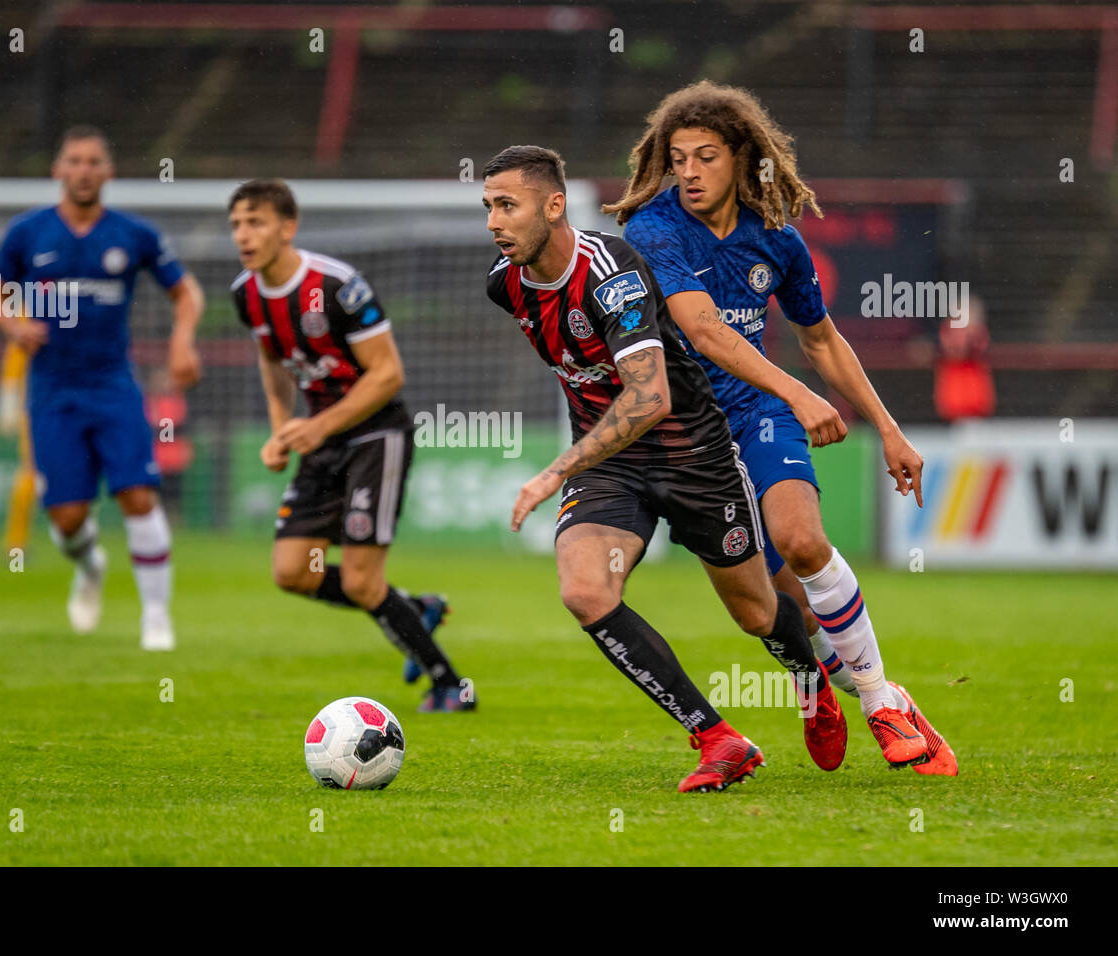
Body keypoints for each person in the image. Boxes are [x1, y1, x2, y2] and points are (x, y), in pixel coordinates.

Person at [608, 81, 955, 773]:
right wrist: (800, 393)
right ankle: (812, 679)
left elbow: (822, 339)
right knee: (763, 606)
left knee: (801, 540)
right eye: (678, 158)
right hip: (686, 431)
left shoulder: (778, 241)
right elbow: (702, 328)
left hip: (758, 413)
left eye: (706, 156)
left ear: (742, 158)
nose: (690, 172)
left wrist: (887, 429)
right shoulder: (652, 229)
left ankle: (883, 701)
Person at [483, 145, 846, 792]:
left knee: (758, 613)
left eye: (507, 205)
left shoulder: (610, 270)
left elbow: (651, 397)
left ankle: (811, 678)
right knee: (586, 590)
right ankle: (717, 736)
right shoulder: (504, 284)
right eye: (488, 207)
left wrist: (551, 473)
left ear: (555, 205)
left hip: (692, 454)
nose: (494, 221)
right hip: (612, 466)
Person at [228, 179, 468, 713]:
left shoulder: (337, 286)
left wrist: (319, 426)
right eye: (237, 224)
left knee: (362, 580)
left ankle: (450, 685)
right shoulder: (245, 294)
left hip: (375, 435)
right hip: (322, 438)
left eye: (256, 221)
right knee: (294, 571)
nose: (244, 234)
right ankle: (412, 607)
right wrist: (281, 429)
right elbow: (272, 361)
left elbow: (388, 374)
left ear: (287, 228)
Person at [0, 125, 203, 651]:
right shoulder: (27, 233)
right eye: (74, 161)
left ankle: (156, 618)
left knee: (138, 495)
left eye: (94, 161)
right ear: (57, 170)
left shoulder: (134, 235)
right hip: (52, 391)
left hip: (113, 386)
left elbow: (186, 290)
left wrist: (182, 340)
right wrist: (12, 324)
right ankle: (90, 565)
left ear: (109, 172)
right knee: (66, 517)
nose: (84, 170)